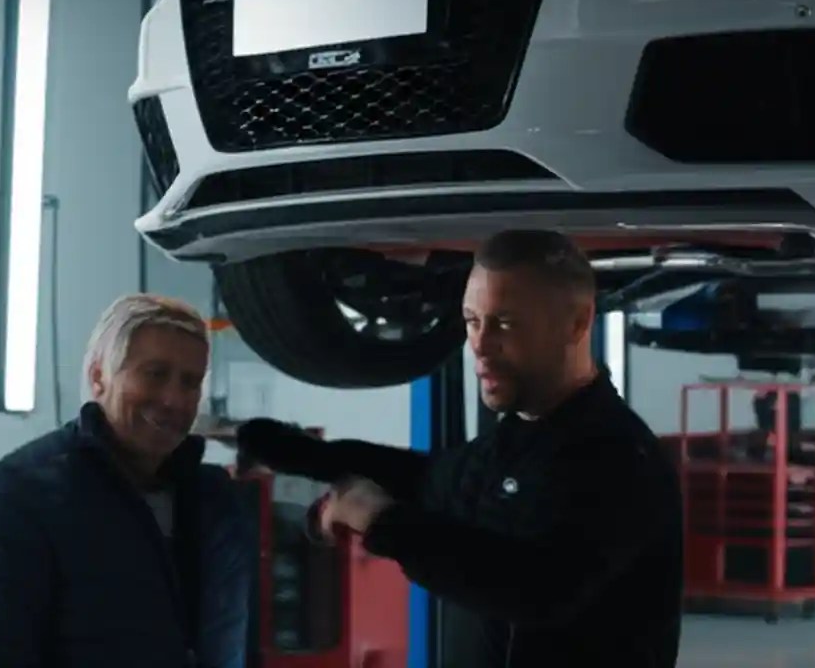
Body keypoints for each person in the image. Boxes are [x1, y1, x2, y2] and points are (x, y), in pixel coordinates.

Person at [241, 230, 683, 668]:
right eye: (473, 321)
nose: (480, 346)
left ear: (577, 323)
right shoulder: (519, 438)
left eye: (505, 323)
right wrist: (305, 455)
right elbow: (435, 479)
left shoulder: (619, 457)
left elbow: (542, 589)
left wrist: (381, 520)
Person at [0, 294, 253, 668]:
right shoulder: (21, 495)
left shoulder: (213, 497)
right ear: (99, 377)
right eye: (156, 374)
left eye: (190, 382)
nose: (174, 399)